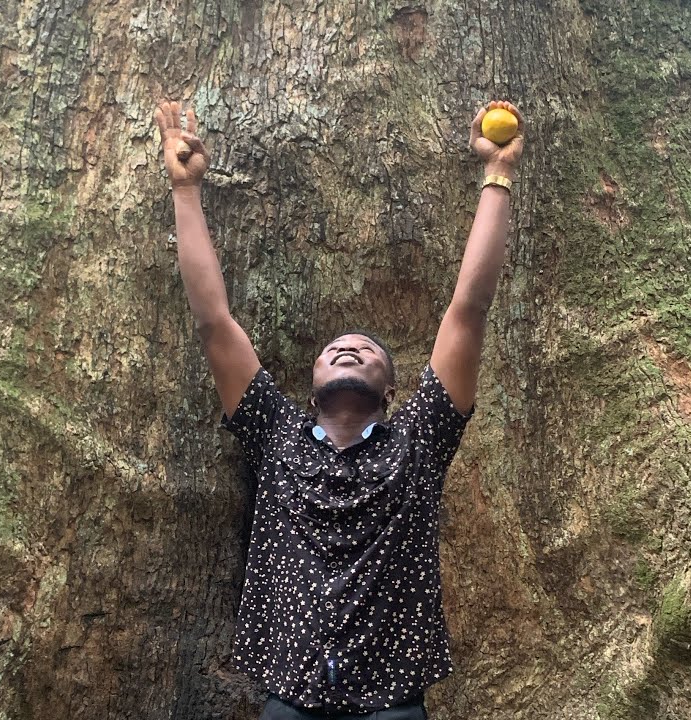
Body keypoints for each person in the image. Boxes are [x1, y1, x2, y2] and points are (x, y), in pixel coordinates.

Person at [154, 99, 524, 720]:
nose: (348, 345)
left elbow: (469, 309)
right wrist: (185, 190)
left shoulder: (419, 441)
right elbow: (213, 322)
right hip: (292, 696)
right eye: (334, 349)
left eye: (366, 349)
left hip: (392, 699)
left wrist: (499, 175)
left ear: (390, 392)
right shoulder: (276, 437)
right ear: (310, 386)